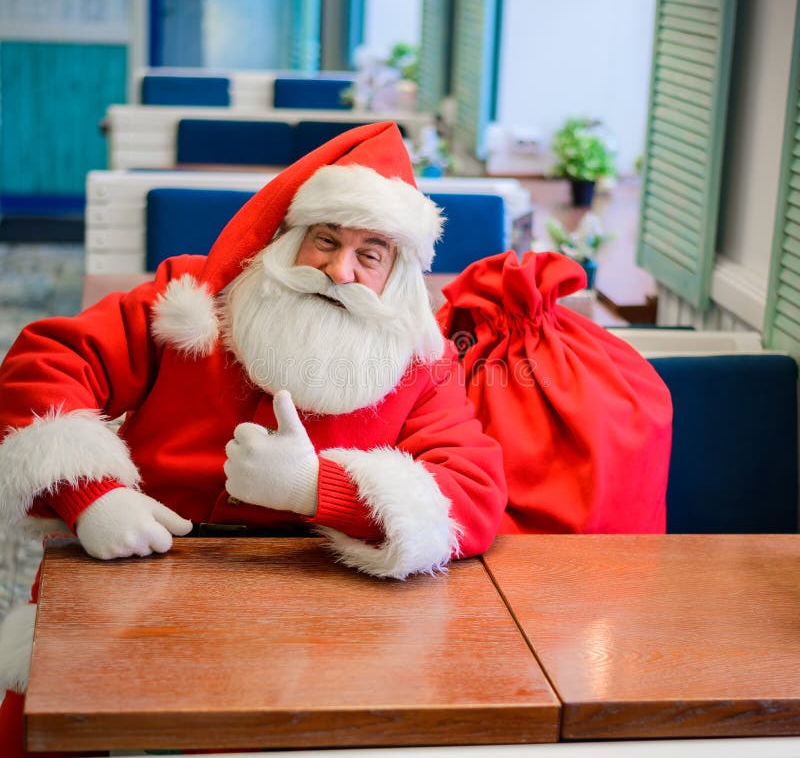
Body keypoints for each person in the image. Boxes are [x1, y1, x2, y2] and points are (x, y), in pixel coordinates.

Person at [0, 121, 508, 755]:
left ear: (394, 274)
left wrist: (317, 488)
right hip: (137, 572)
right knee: (54, 723)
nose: (337, 270)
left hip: (313, 622)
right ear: (294, 237)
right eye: (325, 240)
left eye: (369, 255)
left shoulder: (421, 365)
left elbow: (474, 493)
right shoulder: (194, 298)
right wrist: (92, 494)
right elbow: (46, 362)